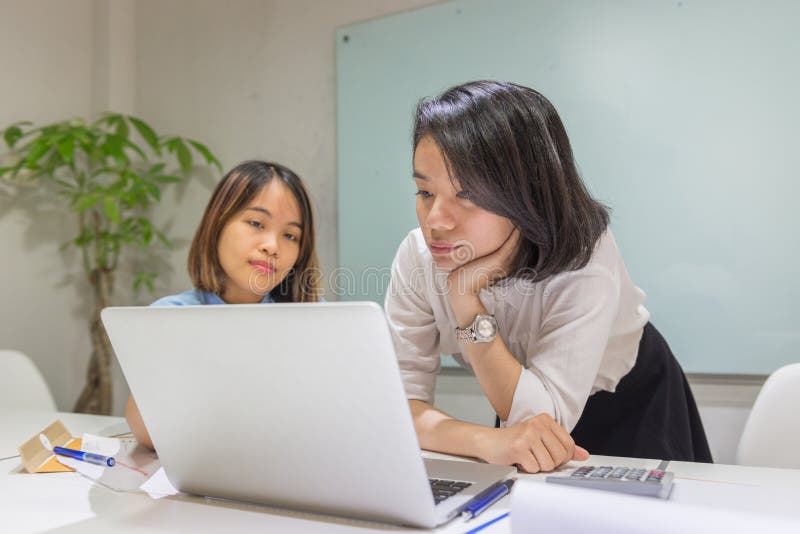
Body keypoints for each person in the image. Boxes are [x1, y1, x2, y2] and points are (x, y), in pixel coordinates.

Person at [384, 80, 712, 473]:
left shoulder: (584, 254)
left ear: (526, 194)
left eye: (466, 196)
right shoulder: (418, 257)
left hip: (628, 400)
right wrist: (486, 440)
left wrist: (465, 300)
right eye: (425, 193)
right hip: (515, 395)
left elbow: (544, 421)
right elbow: (399, 404)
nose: (434, 221)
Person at [125, 160, 322, 449]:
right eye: (256, 223)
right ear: (217, 224)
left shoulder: (318, 321)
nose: (272, 246)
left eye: (290, 235)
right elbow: (147, 434)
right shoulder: (171, 317)